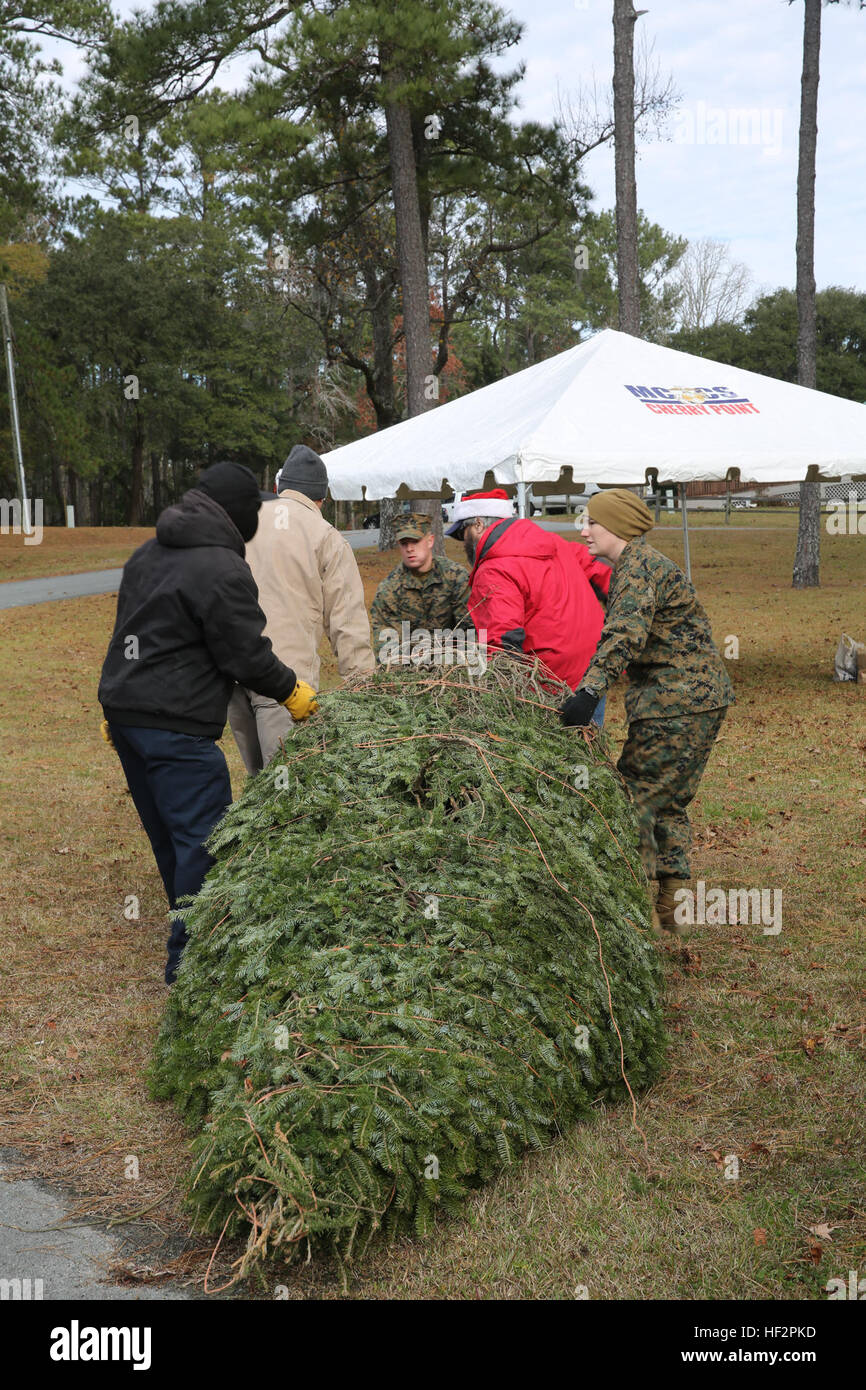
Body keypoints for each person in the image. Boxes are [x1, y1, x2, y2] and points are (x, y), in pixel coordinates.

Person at [98, 461, 318, 983]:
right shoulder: (221, 568)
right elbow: (245, 655)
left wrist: (118, 705)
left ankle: (190, 934)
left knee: (168, 837)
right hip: (176, 727)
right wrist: (292, 692)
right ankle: (191, 965)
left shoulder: (147, 553)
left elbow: (126, 634)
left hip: (129, 720)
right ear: (242, 516)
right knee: (204, 841)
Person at [560, 488, 735, 934]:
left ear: (614, 525)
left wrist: (589, 693)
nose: (583, 530)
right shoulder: (643, 563)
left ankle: (628, 914)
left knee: (634, 798)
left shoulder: (636, 568)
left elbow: (624, 635)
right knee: (668, 801)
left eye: (591, 523)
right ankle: (671, 910)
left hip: (674, 705)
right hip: (700, 700)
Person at [228, 445, 374, 773]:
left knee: (257, 787)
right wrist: (363, 691)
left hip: (234, 672)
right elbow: (347, 622)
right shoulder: (326, 537)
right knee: (288, 788)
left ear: (280, 488)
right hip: (285, 680)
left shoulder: (240, 524)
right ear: (321, 499)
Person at [446, 488, 612, 723]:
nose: (463, 541)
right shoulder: (551, 542)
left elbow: (502, 644)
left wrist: (498, 704)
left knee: (557, 757)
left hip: (550, 688)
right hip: (593, 675)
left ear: (479, 525)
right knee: (591, 753)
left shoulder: (494, 569)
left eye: (463, 532)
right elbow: (605, 575)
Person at [369, 512, 470, 657]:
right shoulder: (390, 589)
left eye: (415, 541)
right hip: (409, 670)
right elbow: (386, 646)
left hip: (453, 664)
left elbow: (470, 630)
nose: (409, 549)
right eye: (404, 544)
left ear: (430, 541)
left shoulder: (455, 577)